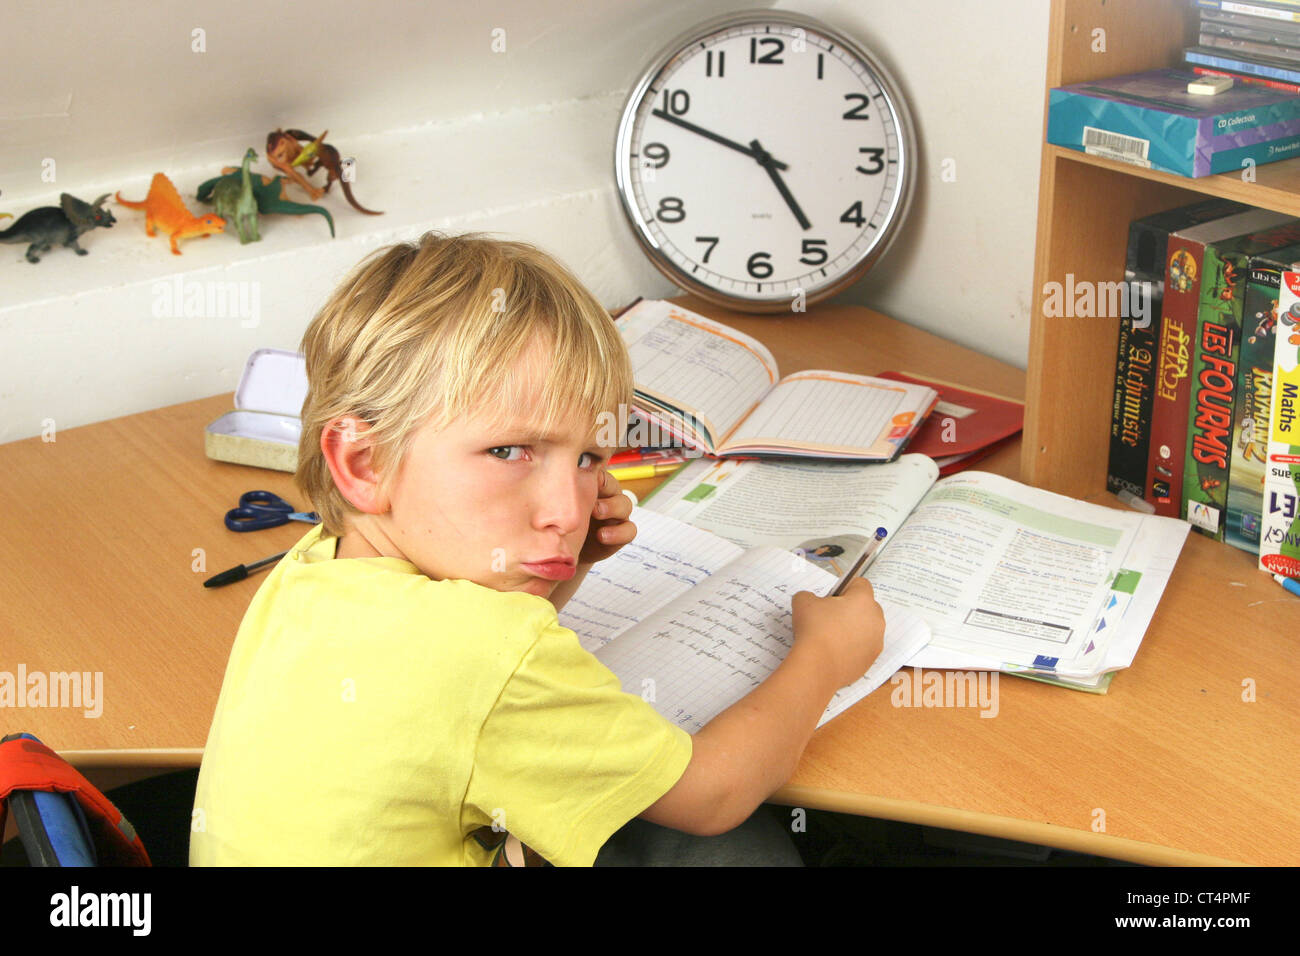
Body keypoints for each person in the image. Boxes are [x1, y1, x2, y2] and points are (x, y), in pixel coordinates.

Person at [189, 232, 885, 866]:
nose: (567, 512)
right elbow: (712, 796)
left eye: (588, 458)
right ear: (365, 463)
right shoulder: (482, 650)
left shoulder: (309, 567)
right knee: (744, 850)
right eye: (510, 451)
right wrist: (825, 657)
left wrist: (560, 571)